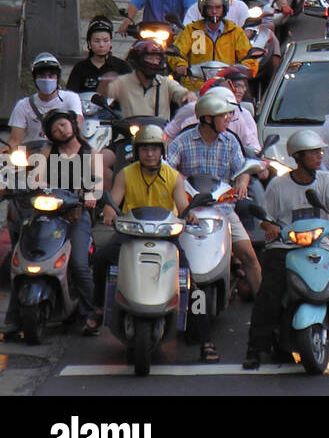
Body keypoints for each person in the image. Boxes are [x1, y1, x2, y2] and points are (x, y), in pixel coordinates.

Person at [92, 125, 223, 360]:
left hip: (166, 237)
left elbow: (182, 206)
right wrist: (110, 211)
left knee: (193, 286)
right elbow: (114, 201)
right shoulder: (126, 173)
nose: (149, 154)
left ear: (161, 151)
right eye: (144, 149)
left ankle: (207, 341)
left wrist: (189, 214)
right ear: (137, 151)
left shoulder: (173, 176)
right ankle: (97, 307)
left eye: (154, 149)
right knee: (101, 258)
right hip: (131, 234)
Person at [242, 129, 329, 369]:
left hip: (320, 244)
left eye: (319, 152)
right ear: (298, 157)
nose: (319, 157)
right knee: (270, 292)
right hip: (285, 246)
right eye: (313, 153)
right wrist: (270, 227)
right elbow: (265, 217)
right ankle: (256, 348)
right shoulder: (278, 185)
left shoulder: (326, 180)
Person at [3, 110, 102, 340]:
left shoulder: (90, 153)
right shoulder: (48, 152)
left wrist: (91, 194)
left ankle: (89, 313)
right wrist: (35, 183)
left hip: (76, 214)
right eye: (55, 129)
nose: (60, 130)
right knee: (21, 259)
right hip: (46, 210)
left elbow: (97, 184)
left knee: (78, 262)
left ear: (73, 126)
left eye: (63, 125)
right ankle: (14, 317)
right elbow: (34, 178)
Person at [167, 89, 262, 298]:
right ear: (208, 118)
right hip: (188, 210)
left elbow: (242, 169)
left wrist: (242, 182)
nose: (228, 119)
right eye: (223, 115)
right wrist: (178, 181)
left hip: (223, 209)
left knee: (250, 257)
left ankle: (263, 310)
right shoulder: (182, 142)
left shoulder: (229, 142)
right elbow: (167, 170)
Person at [172, 0, 253, 92]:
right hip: (195, 86)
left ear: (224, 8)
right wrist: (180, 65)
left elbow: (248, 56)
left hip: (226, 86)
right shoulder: (191, 30)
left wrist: (246, 68)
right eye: (209, 7)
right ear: (203, 9)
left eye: (218, 7)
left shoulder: (235, 31)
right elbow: (177, 52)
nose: (214, 11)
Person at [103, 40, 195, 124]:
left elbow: (180, 92)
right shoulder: (123, 82)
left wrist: (188, 96)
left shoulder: (166, 82)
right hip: (129, 135)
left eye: (157, 59)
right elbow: (104, 99)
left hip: (159, 136)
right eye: (150, 58)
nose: (154, 62)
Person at [165, 75, 261, 156]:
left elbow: (252, 149)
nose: (228, 118)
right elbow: (167, 137)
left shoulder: (233, 139)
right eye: (222, 113)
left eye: (230, 111)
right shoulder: (184, 139)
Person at [7, 53, 84, 149]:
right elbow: (14, 141)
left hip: (63, 152)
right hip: (33, 155)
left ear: (57, 78)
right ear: (35, 79)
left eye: (51, 76)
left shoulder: (71, 98)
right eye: (42, 76)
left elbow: (77, 126)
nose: (46, 80)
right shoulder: (23, 105)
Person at [67, 18, 132, 95]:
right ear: (89, 44)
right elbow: (71, 95)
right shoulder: (80, 68)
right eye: (97, 41)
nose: (101, 45)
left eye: (106, 41)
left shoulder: (122, 67)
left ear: (111, 42)